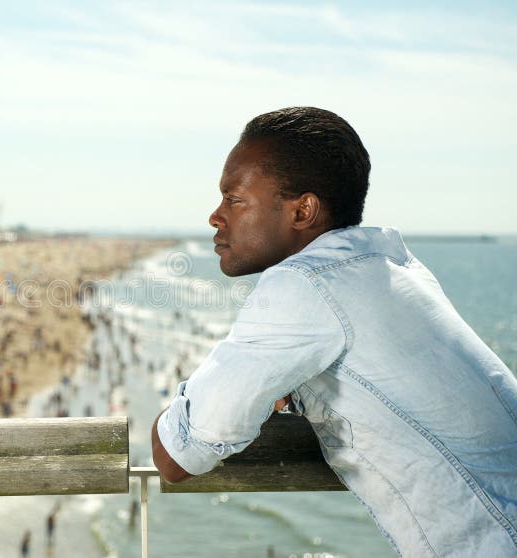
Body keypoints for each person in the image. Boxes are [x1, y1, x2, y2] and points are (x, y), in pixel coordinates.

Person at [151, 107, 517, 557]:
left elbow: (176, 456)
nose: (215, 216)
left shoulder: (304, 284)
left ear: (302, 210)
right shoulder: (394, 267)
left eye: (235, 199)